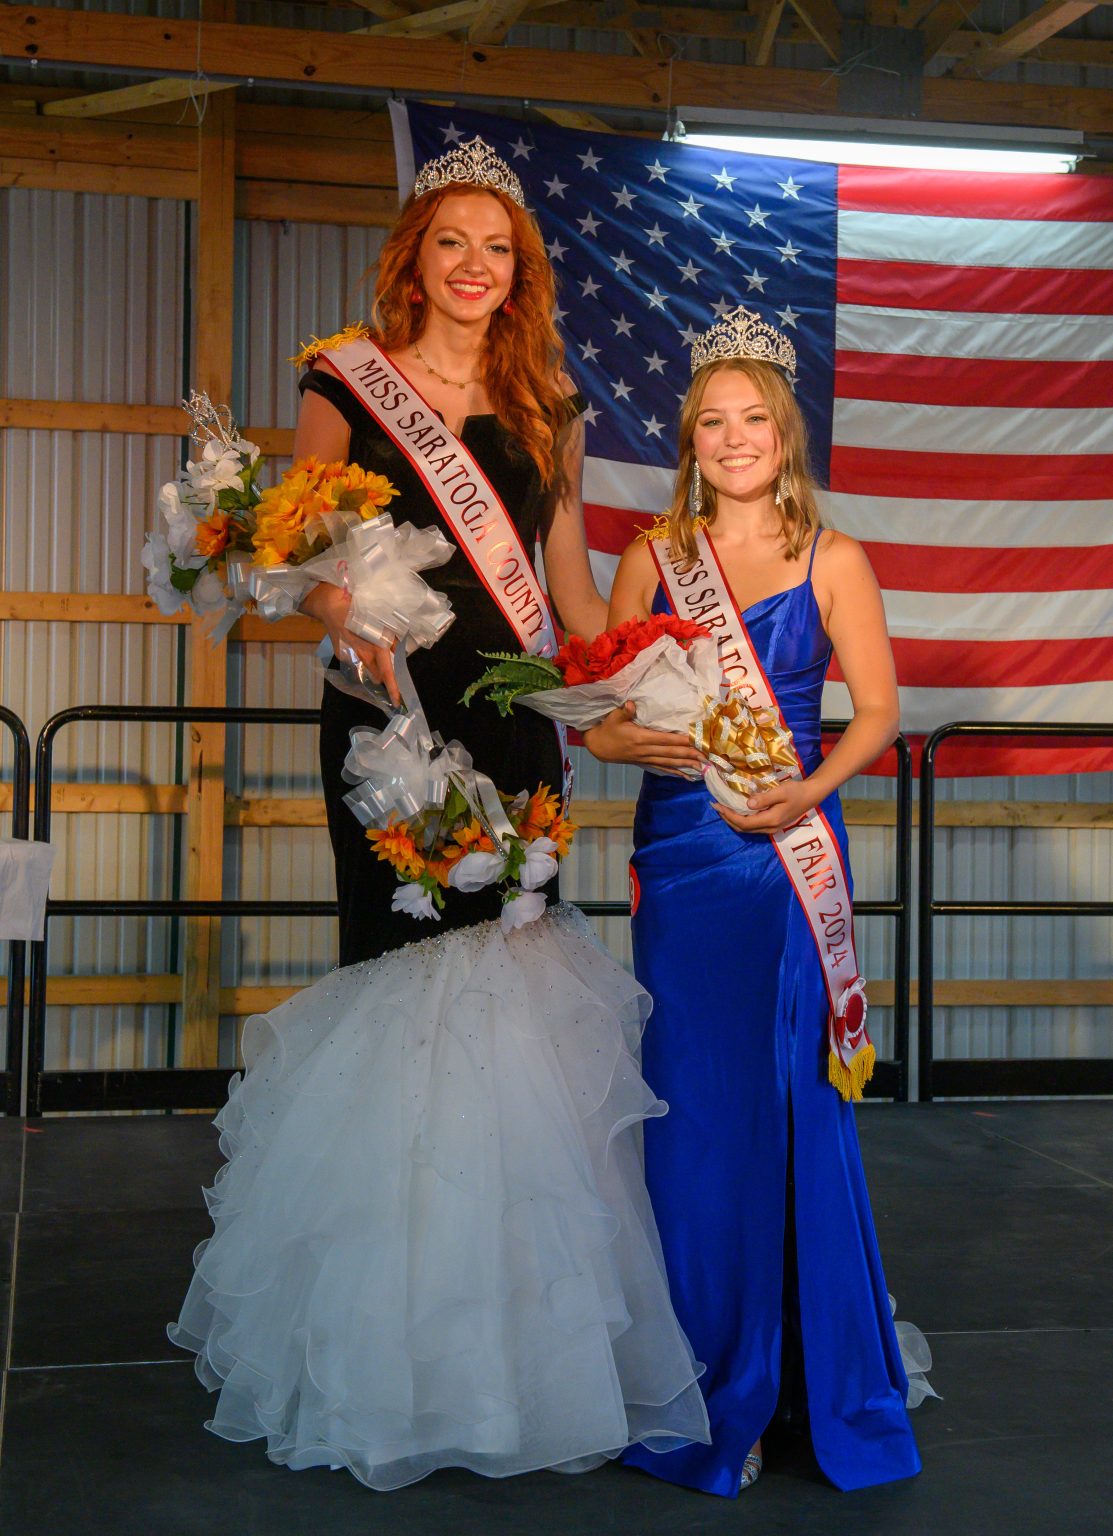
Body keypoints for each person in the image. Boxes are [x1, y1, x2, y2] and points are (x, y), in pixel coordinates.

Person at [168, 139, 711, 1489]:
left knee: (514, 986)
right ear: (413, 257)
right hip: (391, 705)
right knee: (408, 969)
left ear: (521, 274)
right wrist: (339, 607)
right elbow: (291, 546)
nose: (474, 267)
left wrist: (624, 691)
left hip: (515, 711)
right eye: (451, 243)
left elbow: (565, 596)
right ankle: (391, 1346)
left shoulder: (547, 405)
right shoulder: (345, 376)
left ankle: (511, 1342)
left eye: (498, 250)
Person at [586, 307, 930, 1496]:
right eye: (712, 423)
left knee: (787, 1109)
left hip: (785, 859)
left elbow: (878, 711)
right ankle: (704, 1376)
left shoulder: (834, 559)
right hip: (681, 860)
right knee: (693, 1119)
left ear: (786, 434)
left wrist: (810, 789)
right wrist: (642, 742)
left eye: (754, 422)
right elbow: (604, 722)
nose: (734, 441)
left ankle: (798, 1375)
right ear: (688, 438)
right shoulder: (652, 555)